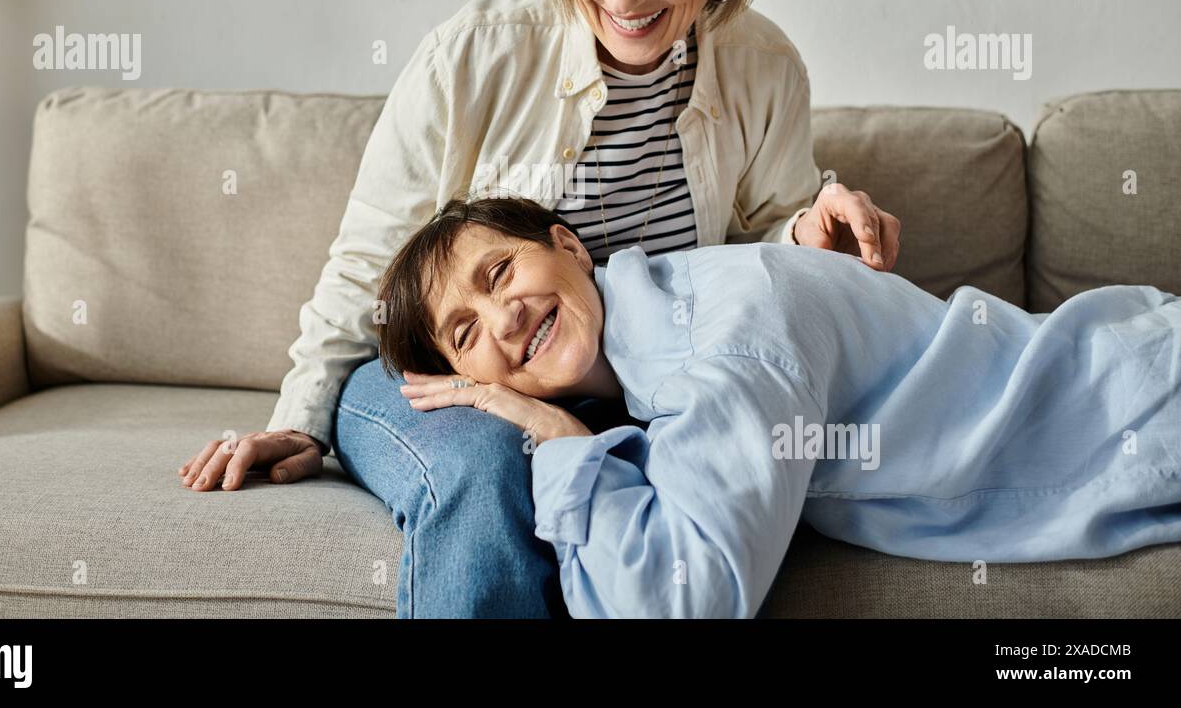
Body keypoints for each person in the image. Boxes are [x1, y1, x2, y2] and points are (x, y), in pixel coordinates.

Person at [177, 0, 903, 618]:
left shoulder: (765, 66)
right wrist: (299, 419)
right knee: (488, 465)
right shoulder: (473, 54)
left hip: (623, 389)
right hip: (435, 377)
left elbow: (760, 254)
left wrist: (806, 237)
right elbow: (368, 269)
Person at [378, 195, 1181, 618]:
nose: (505, 317)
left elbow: (679, 603)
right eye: (466, 332)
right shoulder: (655, 329)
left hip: (1145, 403)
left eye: (499, 276)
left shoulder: (718, 346)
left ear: (571, 246)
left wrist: (557, 442)